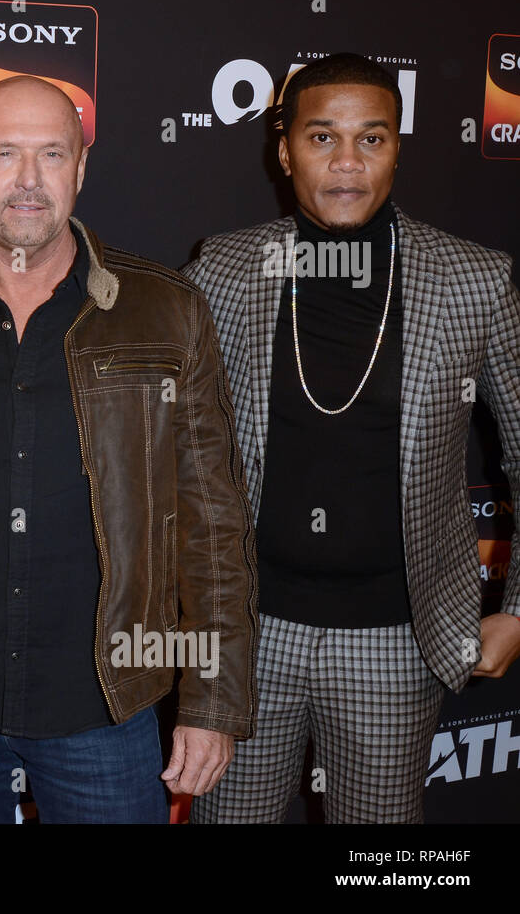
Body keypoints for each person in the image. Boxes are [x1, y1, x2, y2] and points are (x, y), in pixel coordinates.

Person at [0, 75, 257, 823]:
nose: (29, 180)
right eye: (4, 153)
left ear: (82, 168)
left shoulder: (168, 312)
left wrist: (212, 696)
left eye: (52, 154)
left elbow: (212, 525)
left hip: (105, 709)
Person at [181, 53, 520, 823]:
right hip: (247, 633)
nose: (346, 163)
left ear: (398, 146)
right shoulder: (226, 270)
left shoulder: (473, 280)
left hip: (399, 641)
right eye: (322, 137)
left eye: (371, 139)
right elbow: (121, 358)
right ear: (283, 148)